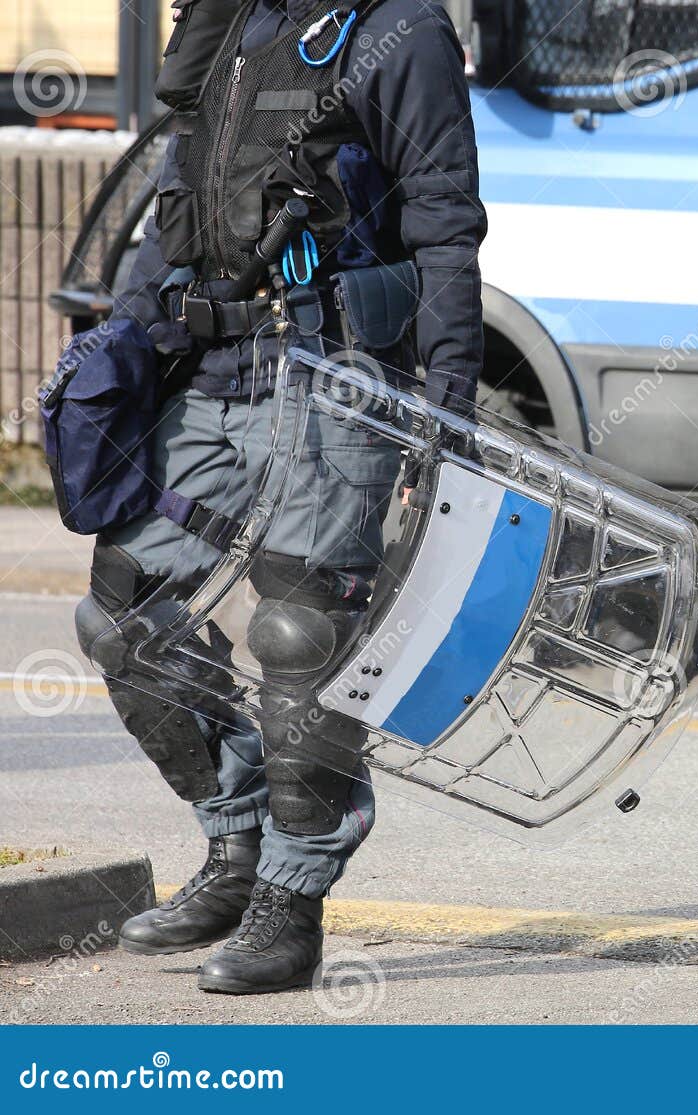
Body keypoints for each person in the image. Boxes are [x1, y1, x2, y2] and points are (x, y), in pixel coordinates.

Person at [72, 0, 486, 992]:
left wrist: (450, 409)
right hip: (211, 374)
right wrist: (117, 349)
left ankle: (289, 905)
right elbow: (179, 194)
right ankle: (235, 847)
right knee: (126, 611)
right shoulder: (228, 21)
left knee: (301, 635)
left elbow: (444, 221)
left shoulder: (401, 30)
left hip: (337, 377)